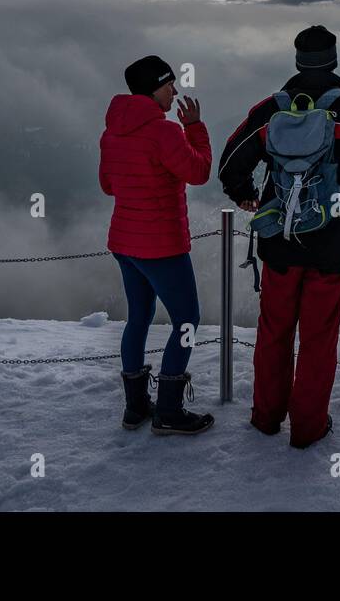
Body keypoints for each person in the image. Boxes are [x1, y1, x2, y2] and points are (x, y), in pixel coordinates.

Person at [219, 26, 340, 448]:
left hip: (279, 243)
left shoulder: (270, 111)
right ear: (335, 59)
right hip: (331, 244)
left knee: (274, 332)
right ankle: (307, 428)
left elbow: (230, 163)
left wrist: (248, 196)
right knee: (318, 338)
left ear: (297, 61)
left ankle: (266, 419)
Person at [98, 55, 214, 436]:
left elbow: (108, 185)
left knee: (139, 318)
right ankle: (168, 410)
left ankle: (135, 408)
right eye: (169, 85)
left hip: (125, 244)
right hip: (162, 245)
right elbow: (198, 173)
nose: (175, 91)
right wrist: (194, 129)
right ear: (153, 87)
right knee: (186, 320)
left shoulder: (112, 131)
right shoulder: (165, 133)